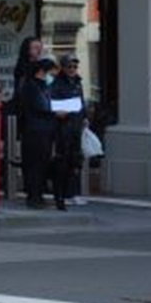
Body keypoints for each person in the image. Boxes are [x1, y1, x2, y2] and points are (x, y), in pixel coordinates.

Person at [21, 56, 59, 209]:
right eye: (50, 73)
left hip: (44, 129)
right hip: (36, 130)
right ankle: (34, 197)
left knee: (42, 163)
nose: (52, 77)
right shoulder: (33, 86)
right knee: (35, 164)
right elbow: (42, 106)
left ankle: (38, 195)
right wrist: (56, 111)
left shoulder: (42, 86)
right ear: (42, 72)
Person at [50, 55, 86, 208]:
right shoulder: (57, 84)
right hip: (63, 127)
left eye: (74, 67)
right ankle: (65, 193)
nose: (72, 69)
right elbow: (53, 103)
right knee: (64, 161)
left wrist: (84, 117)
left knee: (76, 161)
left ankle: (74, 192)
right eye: (69, 67)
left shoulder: (77, 82)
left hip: (76, 125)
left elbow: (81, 101)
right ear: (63, 68)